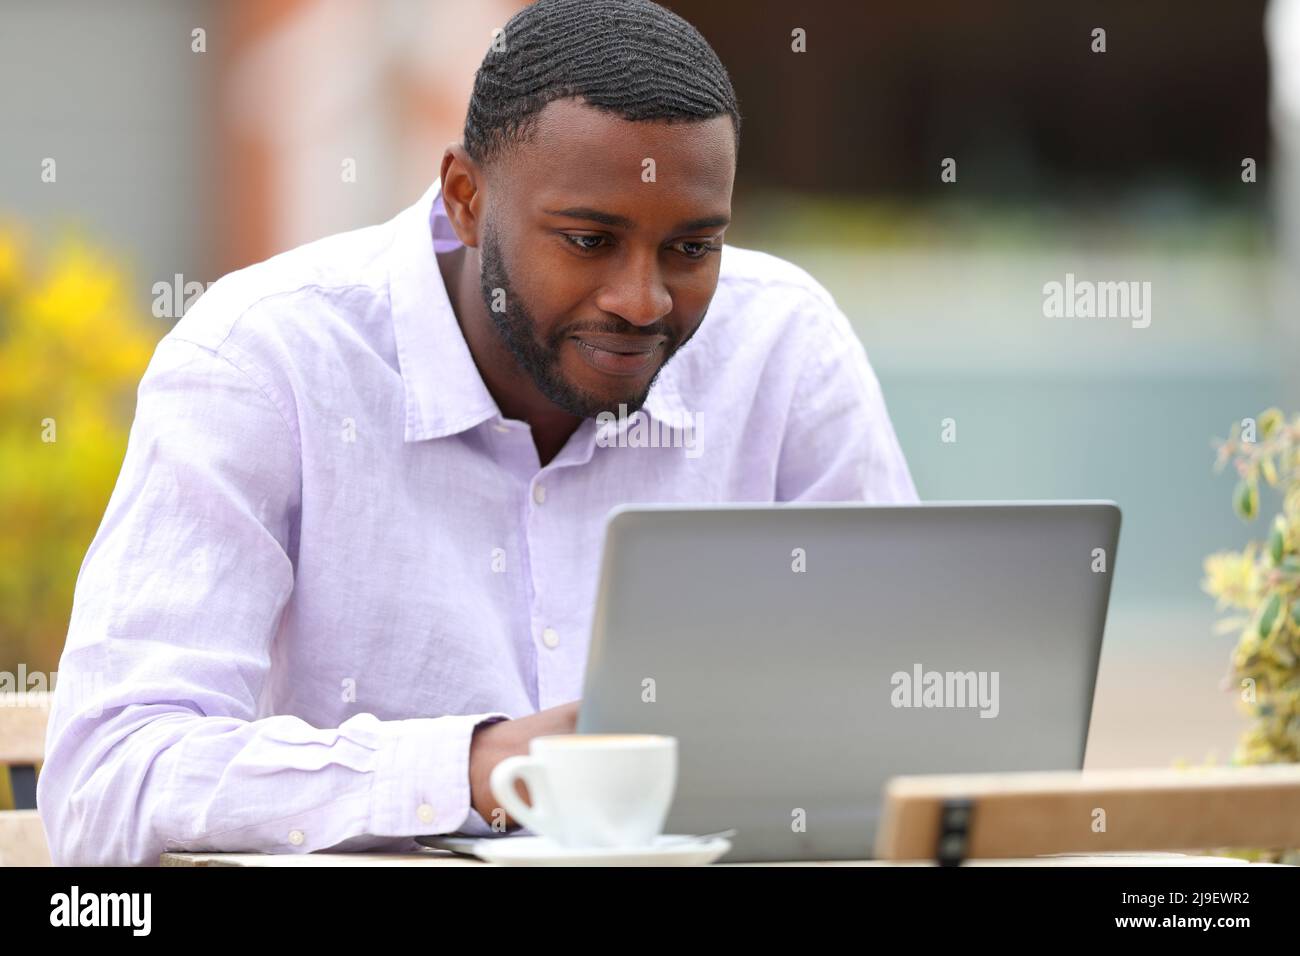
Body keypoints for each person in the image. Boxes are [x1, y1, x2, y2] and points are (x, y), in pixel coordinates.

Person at [38, 0, 918, 866]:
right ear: (466, 197)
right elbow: (109, 780)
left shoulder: (784, 347)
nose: (642, 300)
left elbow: (910, 708)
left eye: (691, 249)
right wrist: (468, 768)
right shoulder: (266, 359)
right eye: (588, 240)